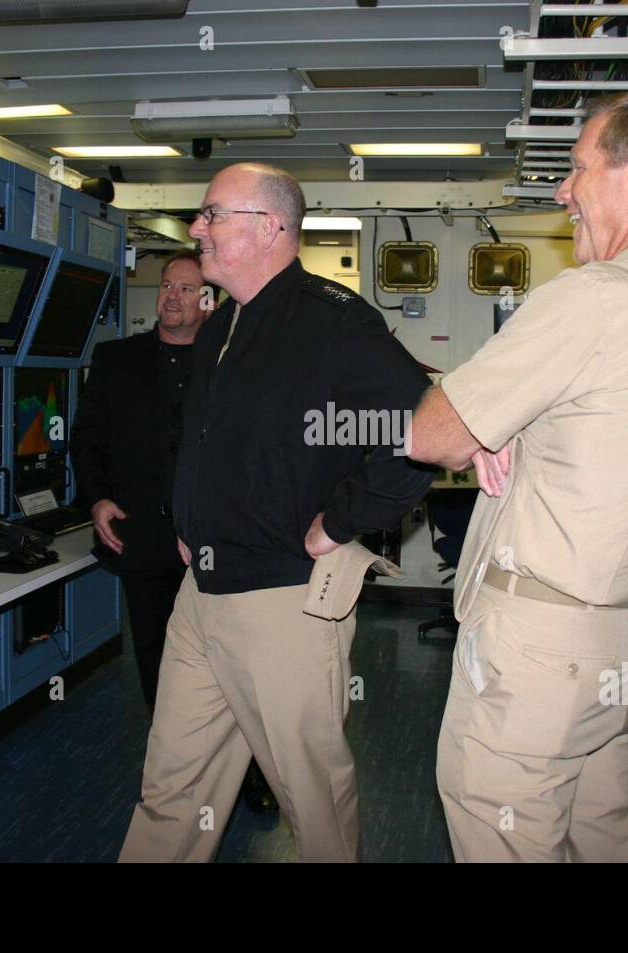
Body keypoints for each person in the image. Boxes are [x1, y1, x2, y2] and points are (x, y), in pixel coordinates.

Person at [407, 91, 628, 862]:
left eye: (579, 169)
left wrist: (485, 422)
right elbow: (614, 437)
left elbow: (434, 434)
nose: (564, 191)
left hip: (545, 650)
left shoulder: (596, 297)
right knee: (609, 836)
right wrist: (513, 426)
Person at [117, 162, 434, 862]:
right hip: (200, 595)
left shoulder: (332, 321)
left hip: (283, 600)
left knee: (311, 802)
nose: (196, 228)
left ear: (269, 227)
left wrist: (341, 523)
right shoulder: (219, 328)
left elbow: (418, 428)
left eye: (211, 214)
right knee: (172, 788)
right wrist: (189, 519)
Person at [71, 250, 212, 713]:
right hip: (144, 540)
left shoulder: (227, 363)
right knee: (154, 656)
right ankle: (168, 754)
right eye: (167, 286)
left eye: (186, 289)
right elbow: (86, 439)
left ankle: (230, 761)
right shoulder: (116, 360)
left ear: (207, 301)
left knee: (218, 660)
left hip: (213, 542)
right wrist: (97, 499)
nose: (172, 297)